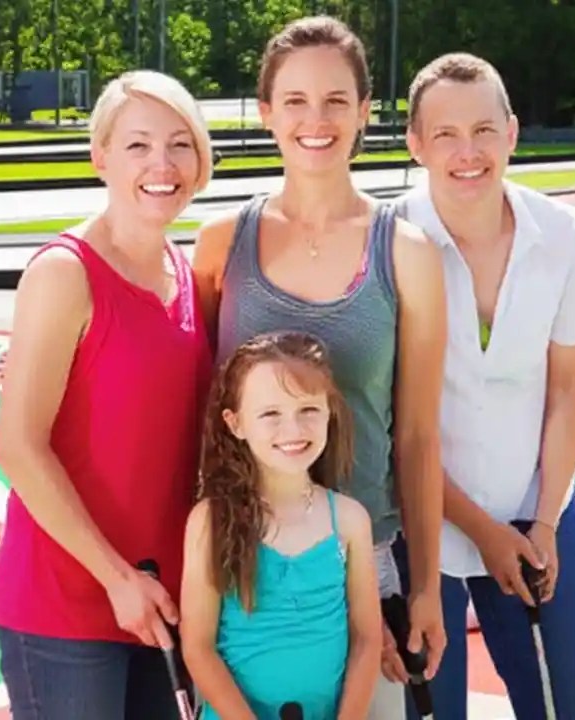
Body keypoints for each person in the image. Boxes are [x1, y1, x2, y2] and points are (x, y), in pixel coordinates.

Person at [191, 16, 448, 717]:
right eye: (296, 100)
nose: (317, 119)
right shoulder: (221, 245)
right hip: (241, 568)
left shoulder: (408, 253)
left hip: (362, 570)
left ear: (366, 112)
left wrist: (424, 586)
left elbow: (419, 436)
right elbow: (198, 414)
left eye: (337, 100)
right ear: (267, 112)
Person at [0, 69, 216, 720]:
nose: (162, 164)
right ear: (101, 157)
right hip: (65, 607)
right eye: (138, 145)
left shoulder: (188, 273)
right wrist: (118, 579)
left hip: (162, 598)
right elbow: (18, 446)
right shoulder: (65, 273)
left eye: (180, 144)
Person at [394, 52, 575, 719]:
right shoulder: (388, 242)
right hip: (416, 519)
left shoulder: (568, 238)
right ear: (415, 145)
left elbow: (569, 390)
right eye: (446, 135)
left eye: (484, 130)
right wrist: (484, 532)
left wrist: (543, 521)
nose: (468, 152)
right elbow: (400, 423)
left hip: (537, 507)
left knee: (573, 710)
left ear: (512, 134)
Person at [181, 331, 383, 720]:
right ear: (235, 423)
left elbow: (367, 638)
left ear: (330, 412)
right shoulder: (211, 521)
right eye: (270, 414)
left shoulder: (350, 520)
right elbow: (198, 647)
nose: (293, 430)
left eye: (308, 410)